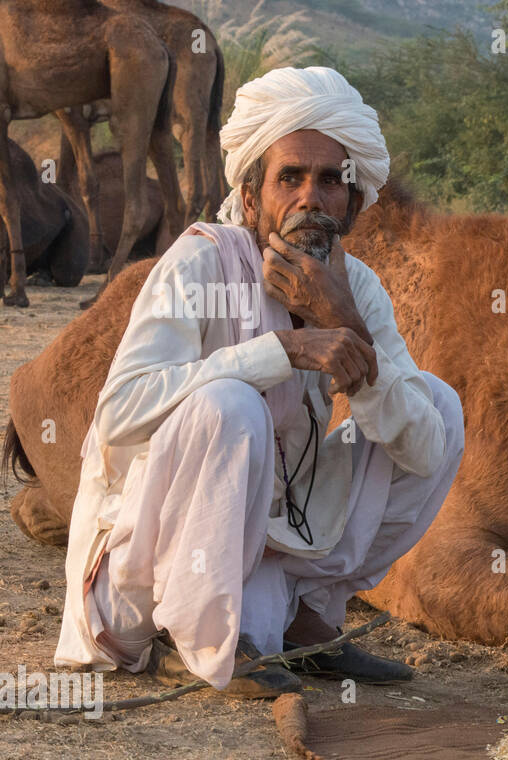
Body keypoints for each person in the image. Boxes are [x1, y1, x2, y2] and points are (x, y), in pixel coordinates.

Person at [55, 66, 464, 697]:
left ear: (353, 204)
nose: (311, 199)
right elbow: (119, 415)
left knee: (435, 406)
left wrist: (344, 324)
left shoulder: (357, 289)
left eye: (331, 181)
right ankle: (179, 636)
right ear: (252, 199)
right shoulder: (201, 260)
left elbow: (426, 452)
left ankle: (308, 626)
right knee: (230, 406)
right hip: (148, 565)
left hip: (261, 555)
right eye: (290, 179)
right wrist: (282, 349)